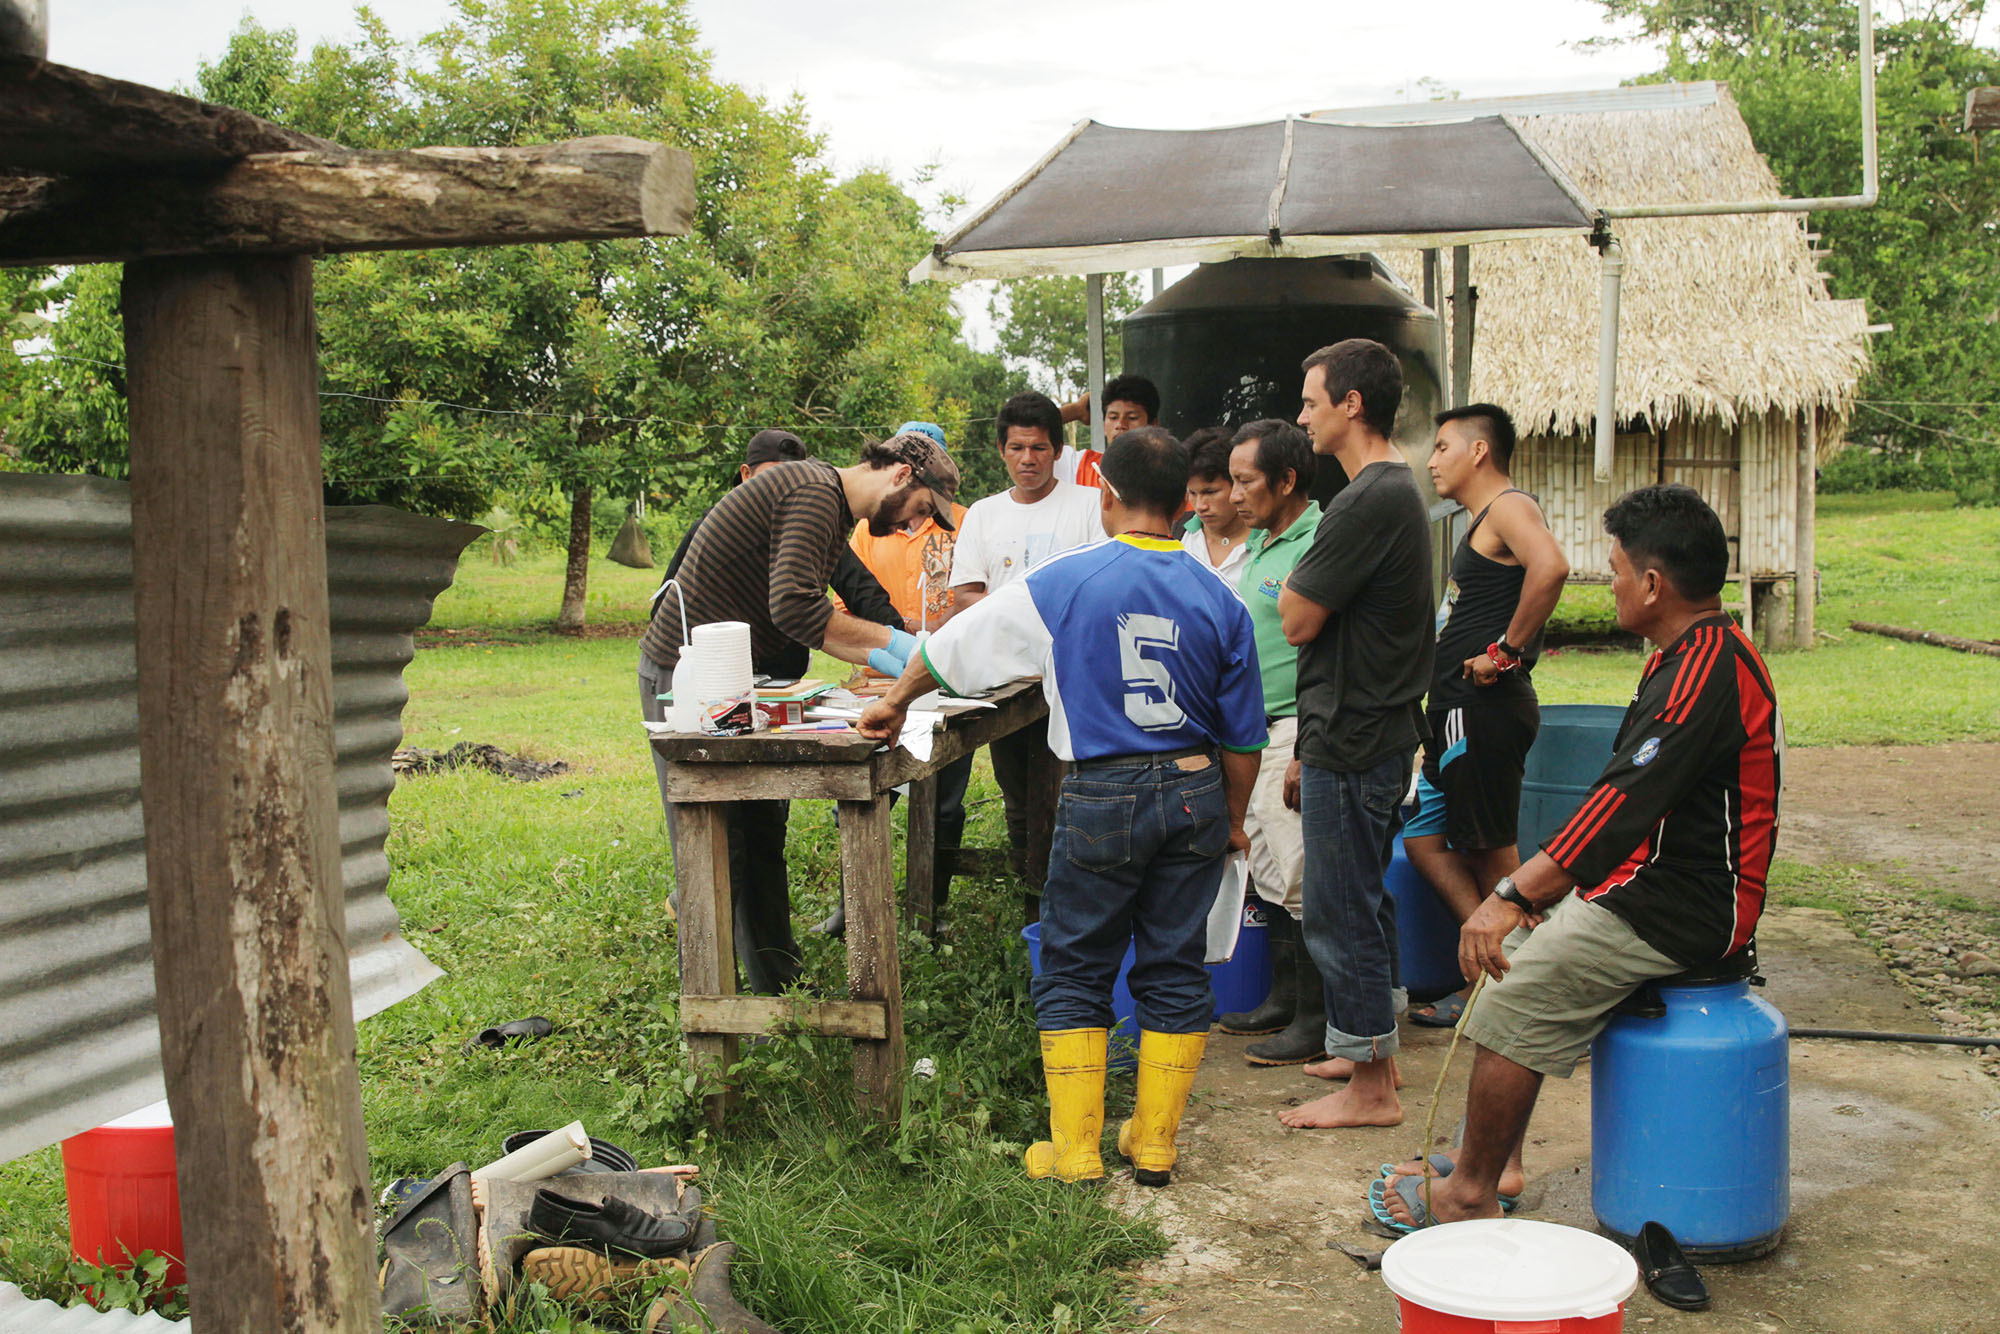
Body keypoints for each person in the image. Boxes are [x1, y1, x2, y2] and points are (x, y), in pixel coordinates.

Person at [857, 427, 1268, 1188]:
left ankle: (1075, 1150)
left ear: (1106, 493)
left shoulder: (1067, 578)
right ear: (1184, 504)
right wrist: (1234, 820)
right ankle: (1154, 1143)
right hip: (1195, 789)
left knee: (1076, 963)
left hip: (1103, 791)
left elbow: (955, 646)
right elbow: (1245, 738)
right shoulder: (1223, 597)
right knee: (1176, 963)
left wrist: (893, 701)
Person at [1376, 484, 1781, 1231]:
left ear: (1652, 584)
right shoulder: (1693, 654)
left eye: (1618, 570)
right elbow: (1622, 806)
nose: (1613, 582)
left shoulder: (1703, 670)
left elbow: (1621, 804)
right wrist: (1532, 895)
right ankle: (1495, 1161)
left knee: (1519, 982)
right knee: (1521, 957)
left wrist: (1511, 895)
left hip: (1691, 902)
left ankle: (1469, 1193)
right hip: (1653, 880)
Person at [638, 432, 960, 993]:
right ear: (902, 475)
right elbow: (795, 608)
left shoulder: (830, 504)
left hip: (744, 678)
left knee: (762, 832)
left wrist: (897, 661)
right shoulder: (812, 491)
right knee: (721, 843)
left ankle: (778, 989)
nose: (914, 521)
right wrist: (898, 644)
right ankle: (710, 1002)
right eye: (921, 507)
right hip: (686, 677)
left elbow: (809, 620)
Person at [1275, 338, 1435, 1129]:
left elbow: (1296, 617)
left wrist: (1287, 589)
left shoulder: (1368, 499)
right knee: (1361, 900)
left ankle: (1371, 1089)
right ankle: (1369, 1048)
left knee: (1340, 909)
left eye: (1312, 402)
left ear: (1352, 404)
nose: (1302, 418)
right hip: (1370, 727)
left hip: (1355, 731)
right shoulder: (1388, 491)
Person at [1403, 405, 1570, 1029]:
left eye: (1443, 447)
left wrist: (1505, 651)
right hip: (1452, 714)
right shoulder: (1479, 521)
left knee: (1494, 855)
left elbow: (1552, 566)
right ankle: (1488, 971)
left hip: (1484, 711)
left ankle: (1535, 998)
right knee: (1425, 839)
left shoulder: (1508, 505)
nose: (1432, 461)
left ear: (1478, 451)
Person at [948, 392, 1106, 918]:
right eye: (1016, 448)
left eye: (1038, 448)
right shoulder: (984, 515)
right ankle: (1033, 910)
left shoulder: (1089, 506)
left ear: (1058, 450)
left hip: (1075, 679)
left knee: (1076, 795)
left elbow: (1099, 588)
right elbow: (965, 595)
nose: (1027, 459)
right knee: (1018, 798)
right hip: (1007, 683)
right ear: (1001, 450)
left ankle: (1077, 907)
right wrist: (1022, 623)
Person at [818, 421, 973, 936]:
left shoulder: (963, 524)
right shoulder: (865, 528)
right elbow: (841, 603)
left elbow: (977, 597)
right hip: (875, 682)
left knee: (943, 797)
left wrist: (940, 642)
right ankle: (854, 907)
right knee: (864, 792)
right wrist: (895, 639)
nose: (922, 509)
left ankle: (930, 908)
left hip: (943, 681)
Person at [1208, 420, 1328, 1061]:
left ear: (1286, 481)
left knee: (1301, 874)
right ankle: (1285, 998)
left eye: (1245, 481)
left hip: (1292, 726)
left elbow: (1328, 650)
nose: (1233, 495)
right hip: (1254, 732)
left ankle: (1318, 1017)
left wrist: (1308, 743)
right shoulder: (1260, 543)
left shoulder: (1318, 542)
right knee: (1271, 870)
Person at [661, 429, 906, 681]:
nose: (786, 487)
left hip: (773, 668)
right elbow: (670, 600)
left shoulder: (809, 520)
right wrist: (890, 640)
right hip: (703, 667)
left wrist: (892, 643)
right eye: (775, 475)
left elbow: (857, 588)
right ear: (746, 475)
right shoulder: (722, 525)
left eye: (791, 474)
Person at [1057, 372, 1161, 489]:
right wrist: (1077, 410)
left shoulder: (1166, 475)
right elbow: (1038, 428)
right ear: (1104, 425)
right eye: (1113, 417)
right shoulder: (1082, 466)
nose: (1120, 425)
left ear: (1153, 426)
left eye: (1132, 418)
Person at [1179, 427, 1253, 585]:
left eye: (1210, 492)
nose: (1200, 506)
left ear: (1237, 483)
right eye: (1192, 493)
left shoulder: (1269, 539)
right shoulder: (1177, 532)